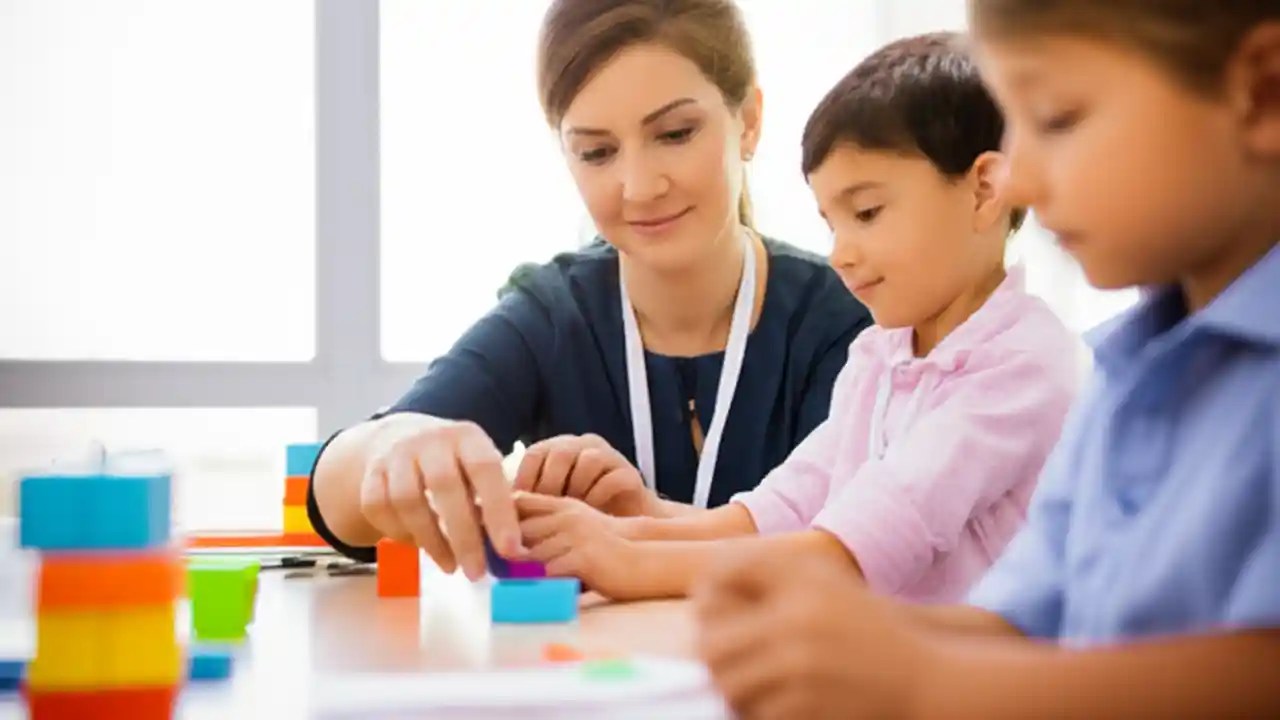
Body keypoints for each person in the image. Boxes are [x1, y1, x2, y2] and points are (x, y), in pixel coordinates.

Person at [692, 2, 1280, 718]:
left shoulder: (1045, 363)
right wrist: (824, 644)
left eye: (1058, 118)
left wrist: (919, 679)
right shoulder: (1122, 374)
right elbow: (1026, 620)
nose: (1018, 181)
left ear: (1263, 92)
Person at [307, 0, 872, 579]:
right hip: (588, 669)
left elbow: (869, 556)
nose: (640, 186)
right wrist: (394, 444)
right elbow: (336, 510)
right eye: (597, 152)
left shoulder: (850, 323)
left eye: (676, 134)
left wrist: (636, 534)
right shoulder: (553, 314)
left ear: (748, 120)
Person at [513, 32, 1082, 602]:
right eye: (832, 224)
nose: (840, 252)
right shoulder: (880, 353)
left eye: (866, 213)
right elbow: (782, 509)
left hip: (975, 681)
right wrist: (639, 526)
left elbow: (848, 550)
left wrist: (629, 563)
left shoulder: (1023, 365)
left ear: (984, 190)